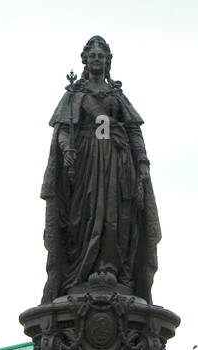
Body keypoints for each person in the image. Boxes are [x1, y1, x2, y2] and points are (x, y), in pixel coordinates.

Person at [41, 35, 161, 302]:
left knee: (116, 216)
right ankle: (79, 274)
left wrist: (142, 162)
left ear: (108, 61)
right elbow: (62, 129)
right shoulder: (75, 94)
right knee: (81, 215)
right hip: (85, 161)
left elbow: (133, 130)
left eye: (102, 56)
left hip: (118, 162)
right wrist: (67, 150)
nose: (97, 59)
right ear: (85, 59)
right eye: (93, 55)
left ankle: (112, 268)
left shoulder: (116, 96)